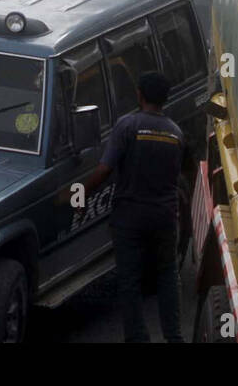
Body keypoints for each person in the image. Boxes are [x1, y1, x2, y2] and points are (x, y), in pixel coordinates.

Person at [78, 71, 186, 343]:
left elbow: (104, 170)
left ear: (140, 95)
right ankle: (174, 336)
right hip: (164, 216)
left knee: (129, 280)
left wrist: (78, 194)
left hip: (130, 217)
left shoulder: (128, 126)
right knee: (167, 275)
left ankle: (137, 338)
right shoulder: (176, 134)